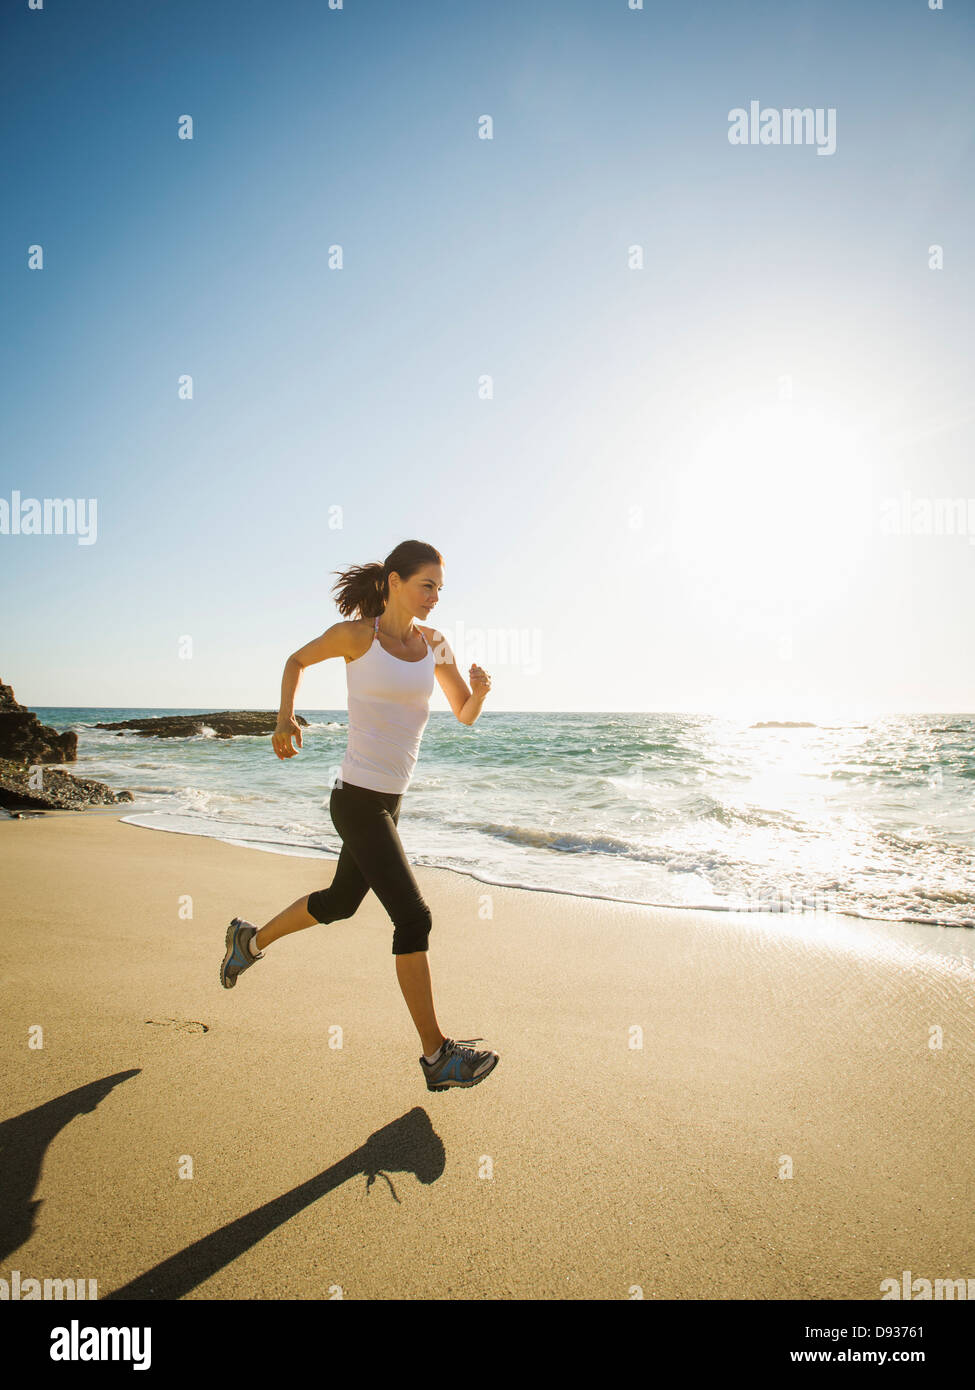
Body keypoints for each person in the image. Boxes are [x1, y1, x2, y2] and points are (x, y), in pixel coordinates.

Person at [219, 539, 499, 1092]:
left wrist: (482, 693)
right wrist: (284, 719)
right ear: (394, 581)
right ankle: (436, 1056)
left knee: (340, 903)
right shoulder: (357, 637)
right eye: (427, 585)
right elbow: (295, 660)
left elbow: (463, 715)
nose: (435, 597)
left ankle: (247, 942)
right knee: (414, 919)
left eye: (441, 588)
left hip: (390, 802)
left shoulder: (436, 645)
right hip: (354, 799)